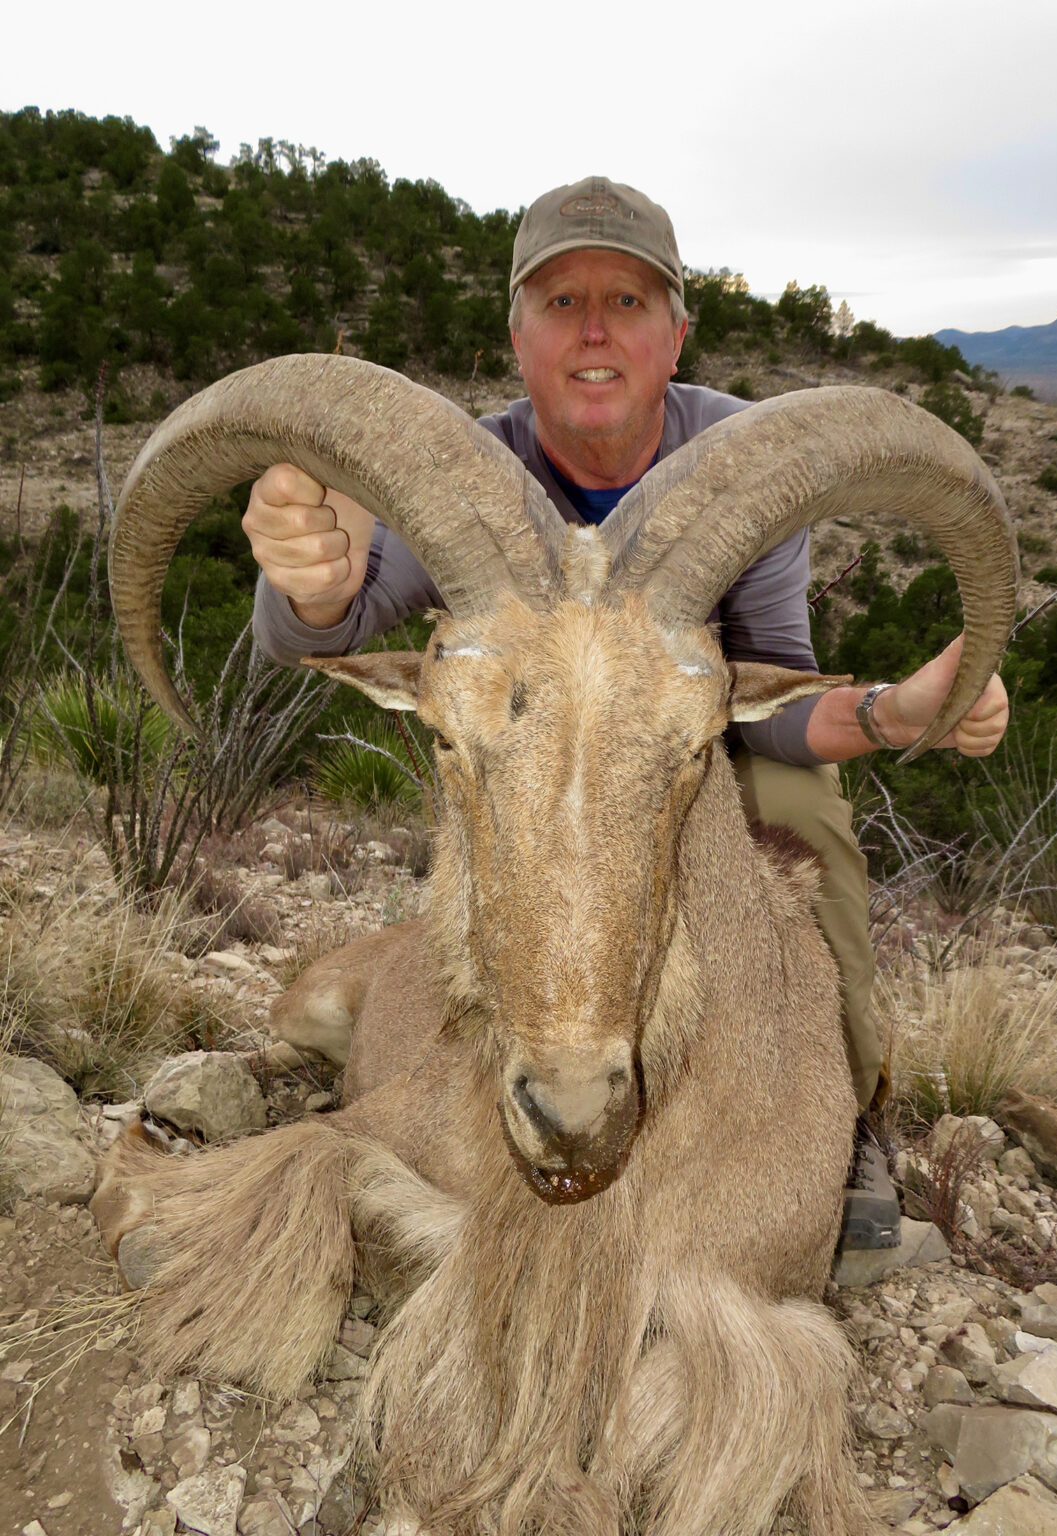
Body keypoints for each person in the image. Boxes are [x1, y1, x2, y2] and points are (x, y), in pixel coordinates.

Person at [244, 176, 1009, 1250]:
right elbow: (329, 628)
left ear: (676, 330)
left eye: (628, 302)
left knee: (805, 806)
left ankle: (853, 1109)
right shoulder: (468, 477)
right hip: (535, 759)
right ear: (517, 334)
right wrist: (310, 579)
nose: (594, 330)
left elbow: (776, 691)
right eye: (560, 303)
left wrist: (895, 711)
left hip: (684, 744)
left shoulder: (743, 469)